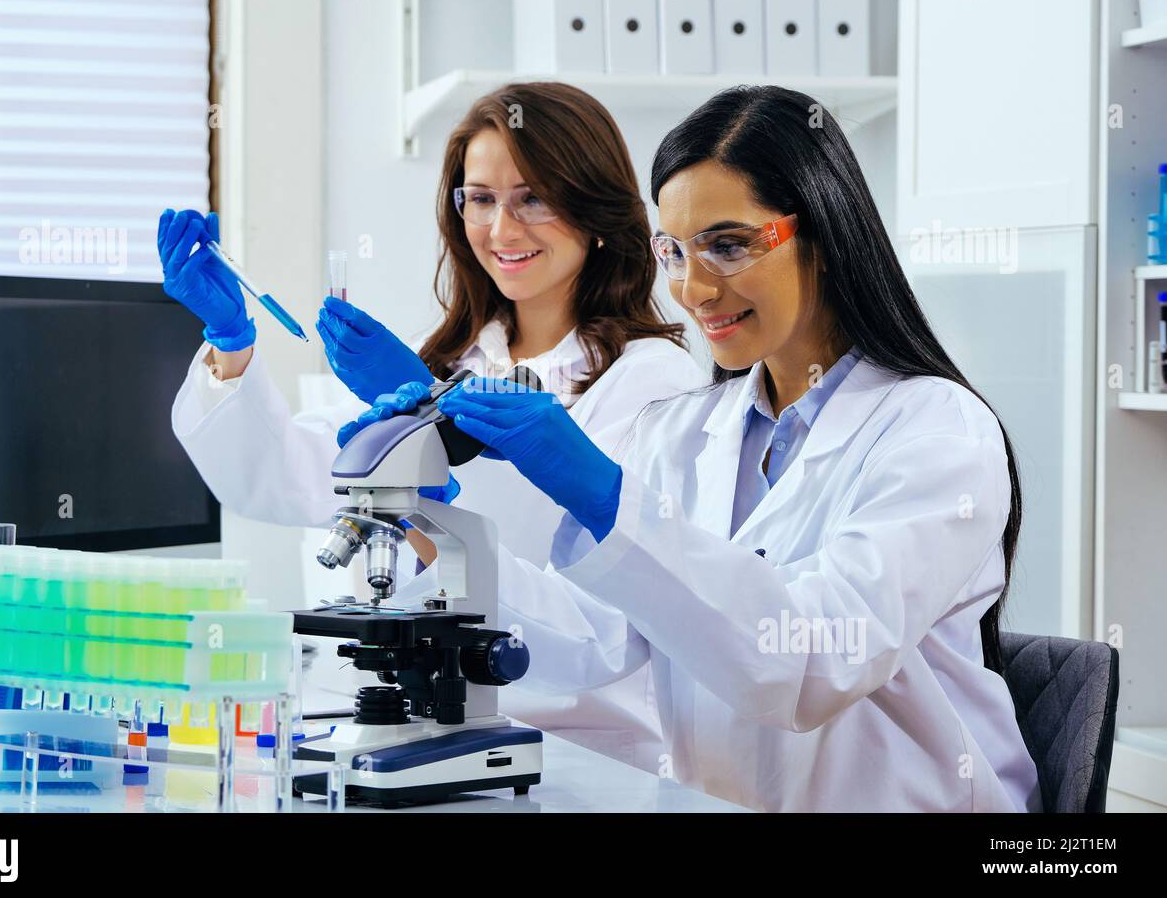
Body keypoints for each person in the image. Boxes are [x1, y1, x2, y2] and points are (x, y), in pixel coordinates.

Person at [347, 85, 1043, 812]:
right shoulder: (680, 431)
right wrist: (429, 519)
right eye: (674, 251)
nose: (694, 287)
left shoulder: (935, 432)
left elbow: (809, 665)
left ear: (826, 234)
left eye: (729, 245)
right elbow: (592, 647)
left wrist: (608, 501)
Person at [157, 82, 706, 770]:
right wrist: (230, 340)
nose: (502, 230)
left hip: (587, 751)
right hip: (432, 727)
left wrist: (435, 475)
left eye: (532, 197)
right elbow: (290, 475)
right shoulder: (450, 358)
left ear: (596, 212)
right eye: (480, 199)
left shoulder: (652, 380)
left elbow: (607, 623)